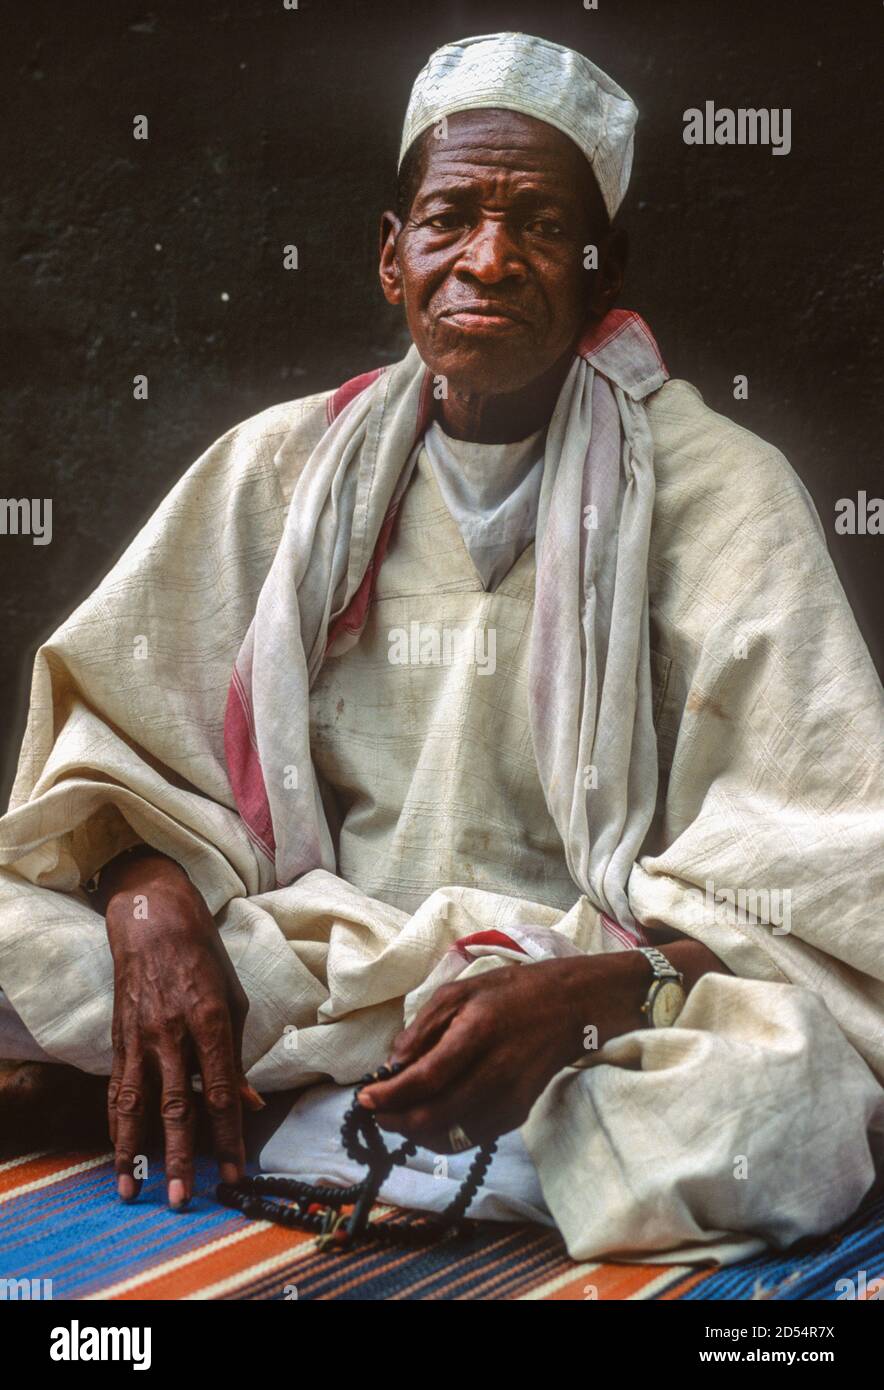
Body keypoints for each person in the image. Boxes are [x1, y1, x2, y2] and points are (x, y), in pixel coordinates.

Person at [1, 32, 882, 1264]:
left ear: (598, 265)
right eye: (449, 217)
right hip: (314, 965)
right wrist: (148, 907)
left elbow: (820, 874)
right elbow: (114, 743)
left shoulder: (721, 490)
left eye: (534, 224)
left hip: (594, 995)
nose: (487, 257)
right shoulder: (280, 466)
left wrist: (592, 999)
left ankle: (287, 1122)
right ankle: (404, 1132)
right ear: (388, 254)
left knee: (785, 1112)